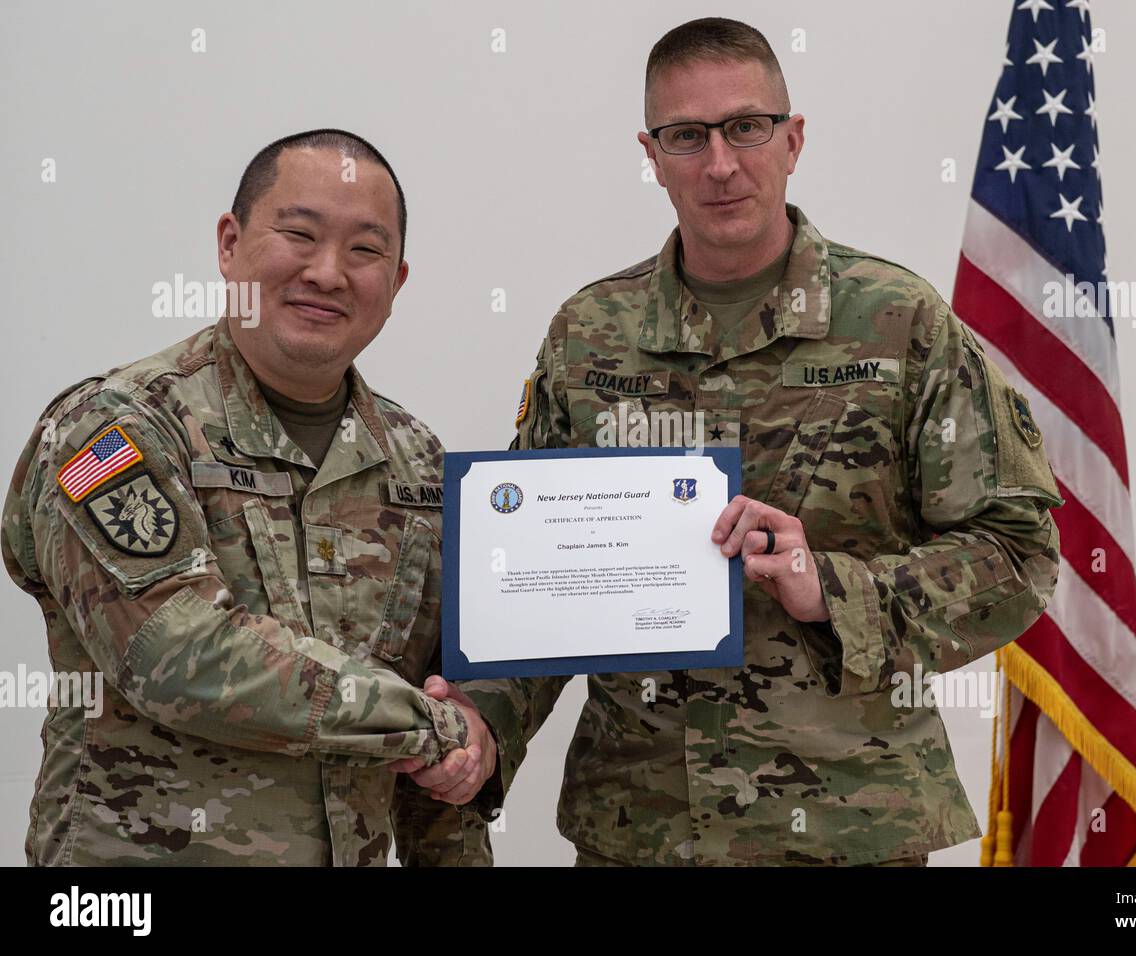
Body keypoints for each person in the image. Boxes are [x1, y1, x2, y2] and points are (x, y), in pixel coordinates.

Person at [395, 17, 1063, 866]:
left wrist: (834, 588)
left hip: (850, 826)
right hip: (639, 829)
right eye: (686, 136)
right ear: (651, 152)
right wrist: (483, 722)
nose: (720, 163)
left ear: (793, 139)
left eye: (747, 127)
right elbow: (535, 595)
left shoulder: (899, 324)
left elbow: (1019, 556)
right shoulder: (590, 336)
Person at [1, 128, 495, 866]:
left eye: (365, 250)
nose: (328, 273)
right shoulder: (116, 429)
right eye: (299, 234)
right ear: (230, 244)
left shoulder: (418, 463)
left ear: (396, 282)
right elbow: (174, 653)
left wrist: (460, 754)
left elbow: (441, 720)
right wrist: (426, 725)